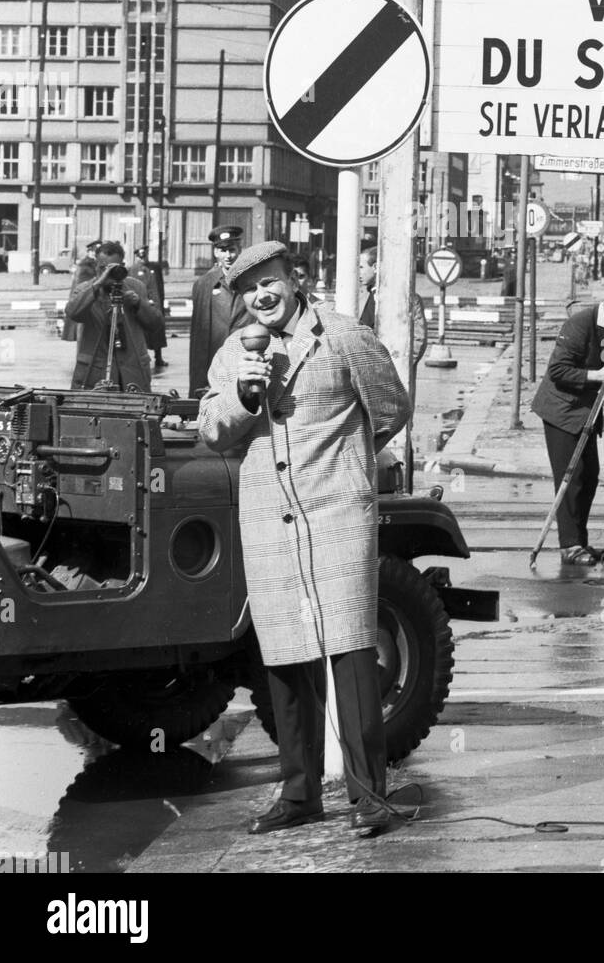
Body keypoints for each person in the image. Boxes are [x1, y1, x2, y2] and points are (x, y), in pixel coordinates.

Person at [197, 242, 411, 838]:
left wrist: (348, 467)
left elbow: (391, 408)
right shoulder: (233, 355)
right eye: (248, 289)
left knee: (349, 649)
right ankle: (300, 794)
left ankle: (370, 795)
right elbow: (213, 430)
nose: (260, 297)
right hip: (268, 518)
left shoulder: (344, 337)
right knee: (285, 655)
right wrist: (243, 396)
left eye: (269, 283)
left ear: (295, 280)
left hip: (338, 511)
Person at [531, 285, 604, 566]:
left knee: (589, 476)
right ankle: (570, 546)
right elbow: (558, 370)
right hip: (561, 410)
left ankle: (579, 541)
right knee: (569, 479)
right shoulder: (579, 324)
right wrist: (595, 375)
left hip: (586, 412)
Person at [64, 241, 162, 392]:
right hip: (95, 372)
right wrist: (97, 286)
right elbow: (73, 312)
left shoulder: (136, 287)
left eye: (113, 268)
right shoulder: (85, 290)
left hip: (132, 372)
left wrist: (138, 304)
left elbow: (155, 323)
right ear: (96, 265)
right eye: (103, 268)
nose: (108, 273)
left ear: (123, 265)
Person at [188, 225, 251, 397]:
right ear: (216, 253)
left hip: (245, 357)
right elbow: (198, 338)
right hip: (214, 361)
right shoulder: (204, 284)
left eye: (232, 250)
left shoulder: (251, 281)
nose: (228, 256)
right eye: (223, 250)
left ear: (240, 250)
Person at [358, 246, 428, 367]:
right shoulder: (358, 297)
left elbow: (418, 339)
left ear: (375, 267)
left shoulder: (406, 298)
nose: (358, 272)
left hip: (393, 370)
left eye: (361, 267)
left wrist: (400, 366)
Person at [131, 246, 168, 372]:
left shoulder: (154, 268)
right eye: (140, 257)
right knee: (142, 334)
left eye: (144, 256)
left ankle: (159, 357)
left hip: (155, 304)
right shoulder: (131, 270)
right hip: (141, 305)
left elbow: (160, 286)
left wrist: (160, 303)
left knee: (157, 331)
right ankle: (142, 358)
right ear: (136, 257)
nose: (143, 259)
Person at [61, 239, 101, 343]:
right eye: (94, 252)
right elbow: (83, 285)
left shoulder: (95, 264)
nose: (96, 255)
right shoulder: (85, 265)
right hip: (85, 300)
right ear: (89, 252)